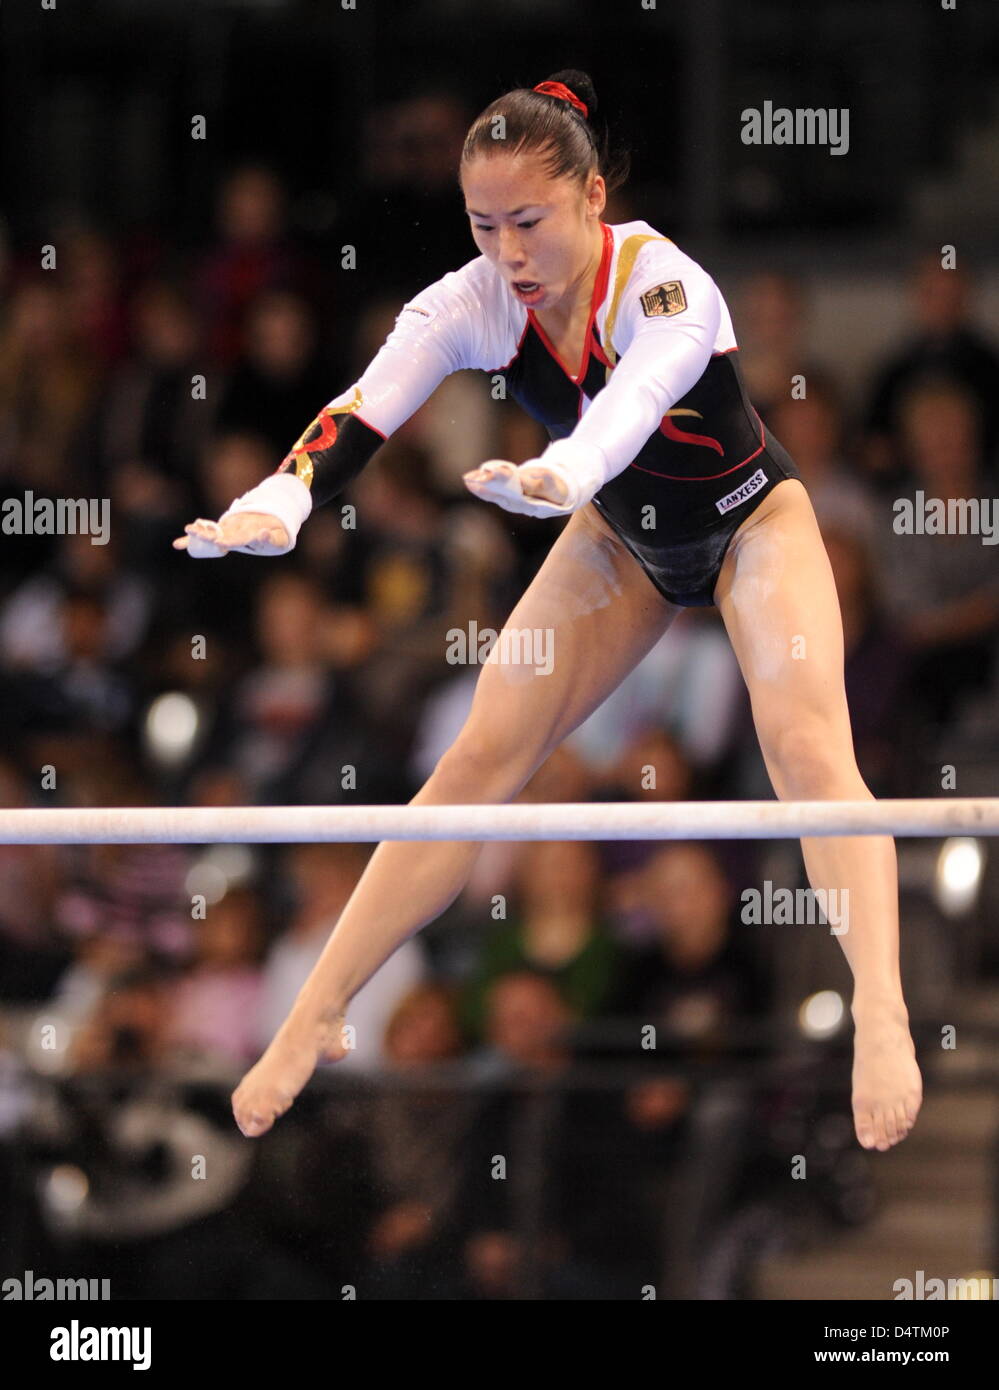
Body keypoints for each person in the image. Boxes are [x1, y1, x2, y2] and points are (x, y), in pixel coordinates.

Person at [174, 70, 922, 1153]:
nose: (509, 252)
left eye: (528, 221)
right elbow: (364, 406)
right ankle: (319, 1004)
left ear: (592, 197)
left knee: (807, 744)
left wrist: (566, 470)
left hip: (752, 522)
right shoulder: (476, 297)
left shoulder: (665, 282)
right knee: (478, 760)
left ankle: (884, 1009)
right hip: (619, 537)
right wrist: (280, 498)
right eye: (484, 226)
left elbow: (638, 398)